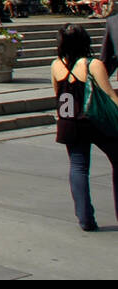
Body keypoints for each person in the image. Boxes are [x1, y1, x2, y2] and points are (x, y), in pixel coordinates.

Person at [50, 24, 118, 231]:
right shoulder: (93, 64)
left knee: (78, 168)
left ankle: (85, 219)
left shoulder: (56, 65)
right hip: (95, 121)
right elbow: (109, 94)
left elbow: (59, 95)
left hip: (69, 122)